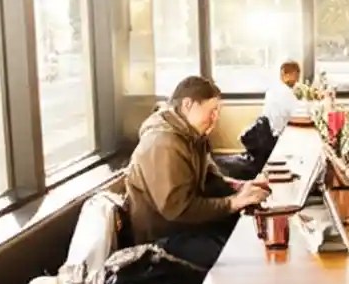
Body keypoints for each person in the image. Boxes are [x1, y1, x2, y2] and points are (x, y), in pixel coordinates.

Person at [126, 76, 270, 269]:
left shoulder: (192, 136)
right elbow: (177, 210)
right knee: (238, 259)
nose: (215, 118)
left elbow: (211, 179)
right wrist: (234, 202)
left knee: (252, 236)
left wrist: (241, 187)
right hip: (164, 238)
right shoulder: (163, 143)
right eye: (211, 111)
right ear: (188, 105)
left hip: (188, 226)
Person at [262, 60, 302, 135]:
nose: (297, 80)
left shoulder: (273, 90)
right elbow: (295, 114)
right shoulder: (287, 92)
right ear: (287, 75)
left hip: (268, 132)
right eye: (296, 75)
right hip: (278, 134)